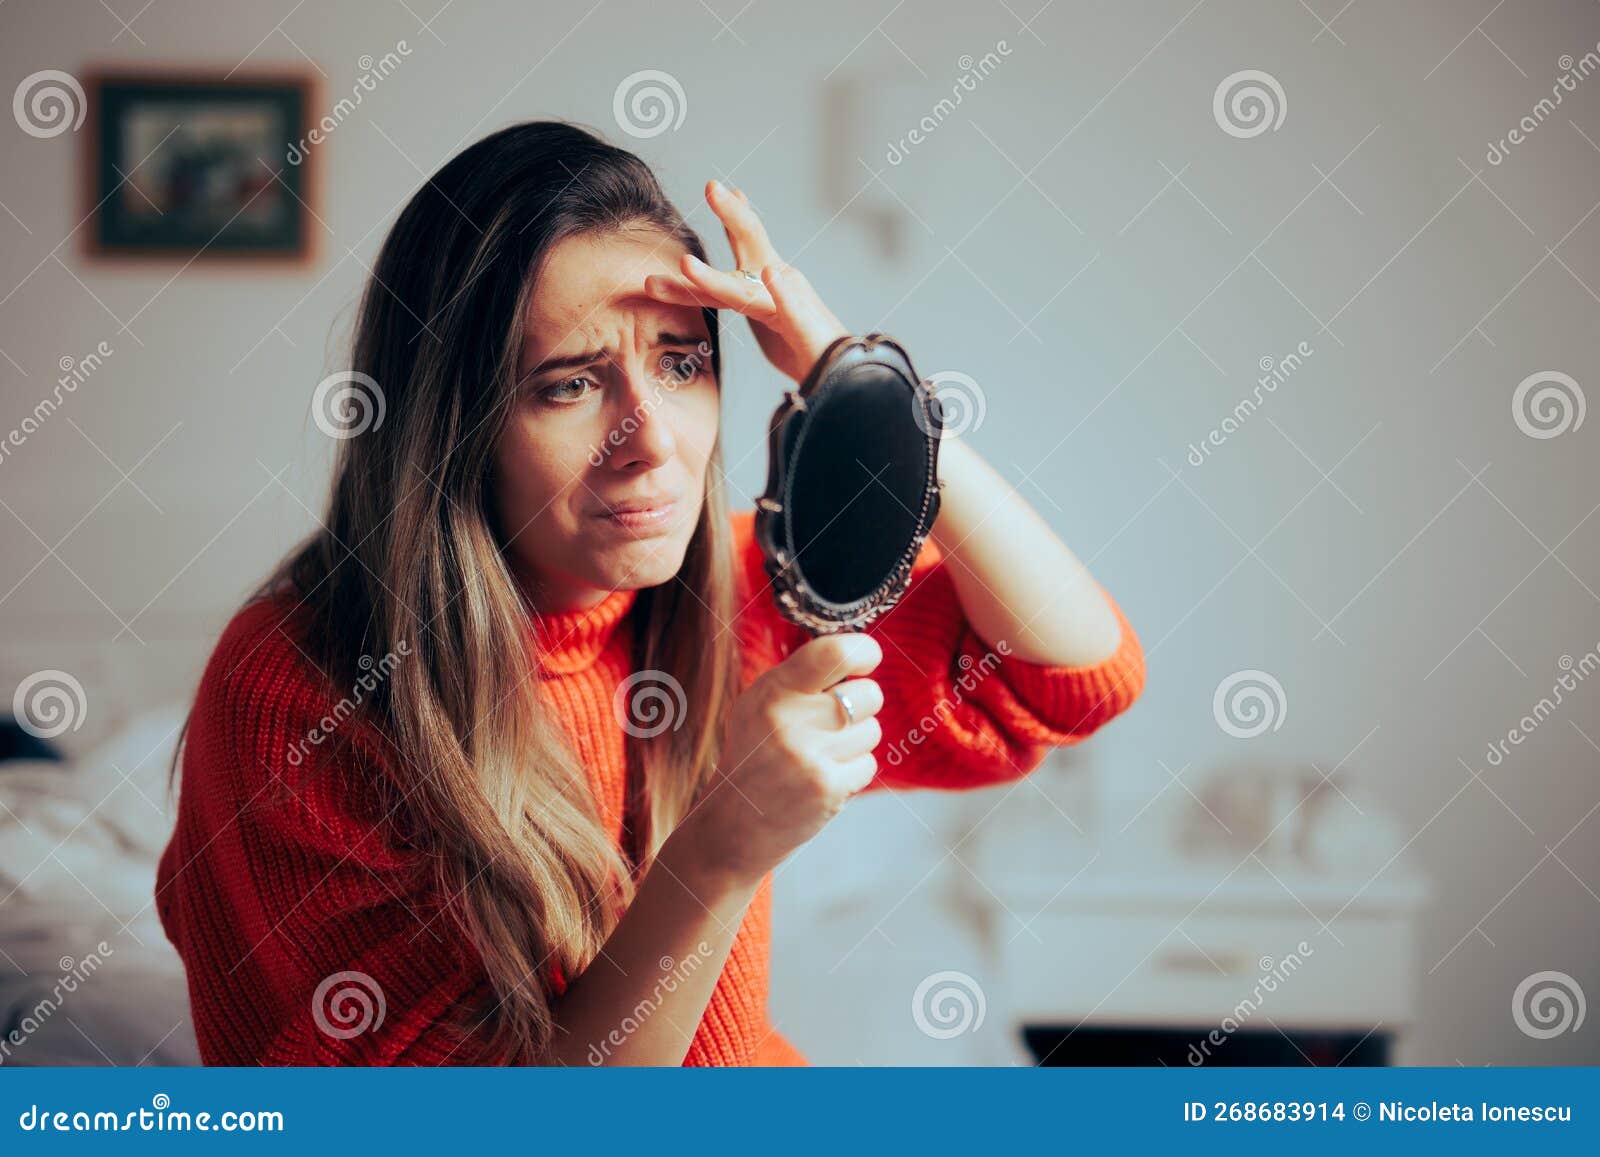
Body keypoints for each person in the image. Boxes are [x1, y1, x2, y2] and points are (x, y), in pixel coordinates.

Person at [155, 120, 1146, 1066]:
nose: (654, 444)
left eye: (681, 364)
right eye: (569, 384)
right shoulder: (301, 692)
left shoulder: (741, 589)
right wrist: (715, 852)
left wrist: (857, 378)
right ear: (450, 423)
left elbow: (1077, 674)